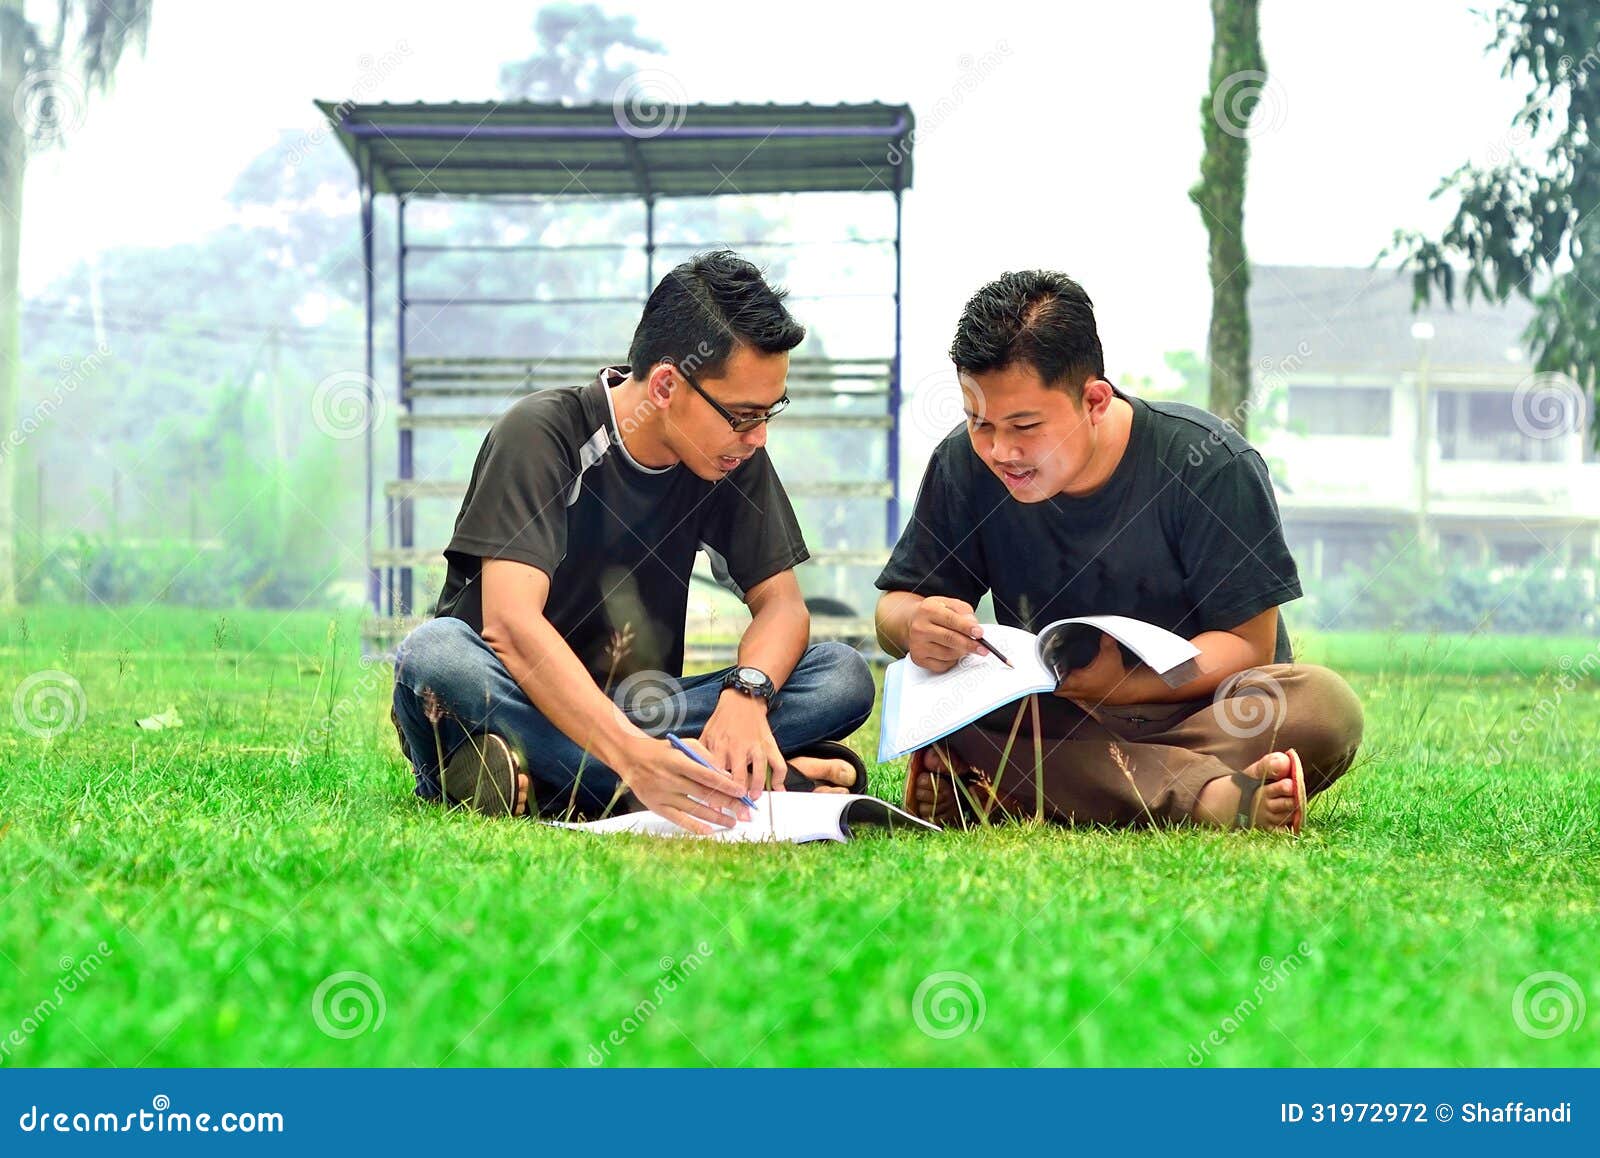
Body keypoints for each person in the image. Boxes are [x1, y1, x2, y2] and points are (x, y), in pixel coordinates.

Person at [391, 250, 875, 833]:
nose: (759, 435)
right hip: (511, 691)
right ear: (668, 385)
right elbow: (510, 626)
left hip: (645, 709)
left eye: (770, 412)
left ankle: (551, 779)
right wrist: (633, 756)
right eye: (745, 415)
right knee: (436, 655)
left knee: (841, 675)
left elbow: (784, 607)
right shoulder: (543, 434)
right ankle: (718, 782)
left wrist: (748, 695)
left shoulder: (730, 457)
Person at [874, 270, 1364, 832]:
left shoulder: (1209, 464)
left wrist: (1125, 687)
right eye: (979, 422)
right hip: (1057, 714)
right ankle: (1209, 799)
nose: (1000, 450)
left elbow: (1248, 647)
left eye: (1025, 425)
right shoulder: (964, 463)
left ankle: (1007, 787)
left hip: (1196, 711)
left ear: (1095, 400)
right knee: (954, 712)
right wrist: (916, 623)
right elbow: (893, 609)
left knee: (1325, 710)